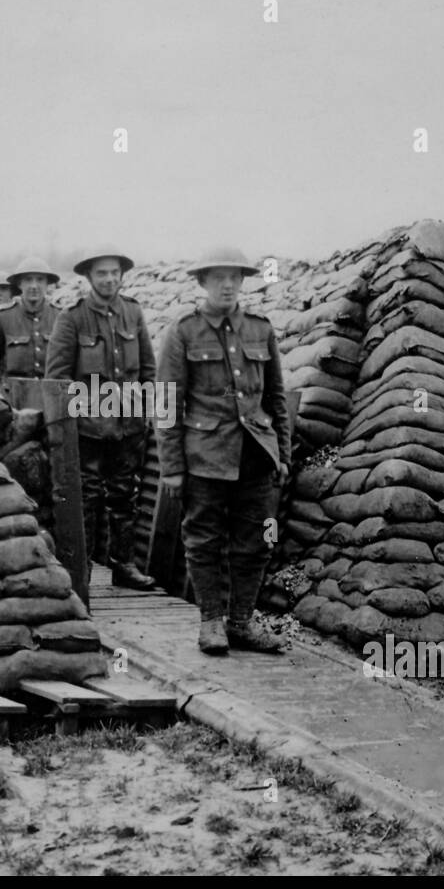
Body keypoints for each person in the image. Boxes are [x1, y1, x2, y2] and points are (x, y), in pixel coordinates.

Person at [156, 247, 290, 654]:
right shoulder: (184, 331)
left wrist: (282, 453)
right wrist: (172, 467)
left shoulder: (260, 329)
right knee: (203, 540)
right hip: (205, 455)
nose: (228, 285)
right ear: (202, 282)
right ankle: (211, 622)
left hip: (254, 453)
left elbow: (276, 397)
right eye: (219, 278)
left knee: (255, 541)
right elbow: (166, 403)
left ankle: (241, 623)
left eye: (235, 277)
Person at [46, 245, 158, 591]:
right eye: (101, 273)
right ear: (89, 277)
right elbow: (58, 378)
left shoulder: (133, 314)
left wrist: (146, 409)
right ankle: (82, 572)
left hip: (128, 426)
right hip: (89, 429)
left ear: (122, 276)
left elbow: (148, 371)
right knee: (88, 500)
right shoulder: (73, 317)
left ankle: (124, 565)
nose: (109, 279)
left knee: (125, 496)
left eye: (114, 273)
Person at [0, 257, 61, 399]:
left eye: (40, 280)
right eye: (28, 280)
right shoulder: (2, 316)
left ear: (48, 283)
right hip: (13, 399)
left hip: (51, 397)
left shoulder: (60, 316)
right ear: (19, 283)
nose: (34, 285)